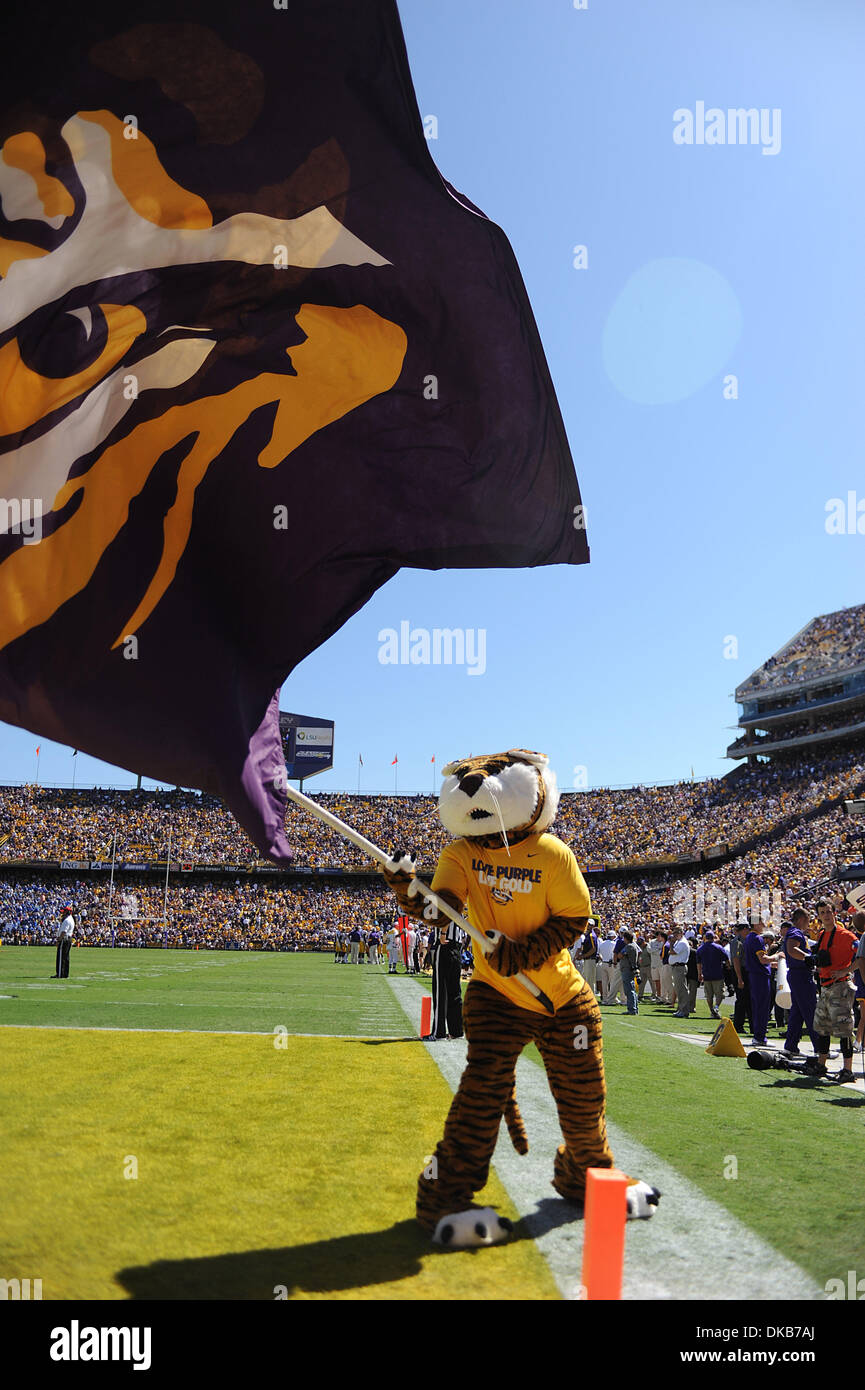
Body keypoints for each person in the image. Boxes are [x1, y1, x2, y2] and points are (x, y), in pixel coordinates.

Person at [805, 897, 859, 1081]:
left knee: (844, 1029)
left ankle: (847, 1070)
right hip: (825, 986)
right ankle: (821, 1065)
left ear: (835, 913)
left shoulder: (846, 936)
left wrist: (846, 970)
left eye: (829, 911)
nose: (826, 916)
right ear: (818, 916)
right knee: (822, 1028)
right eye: (822, 913)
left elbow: (861, 954)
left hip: (840, 986)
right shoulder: (821, 935)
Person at [780, 911, 819, 1057]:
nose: (809, 922)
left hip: (797, 975)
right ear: (803, 919)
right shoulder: (796, 932)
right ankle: (820, 1049)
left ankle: (791, 1046)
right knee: (810, 1010)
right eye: (808, 919)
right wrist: (808, 958)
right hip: (801, 975)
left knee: (797, 1013)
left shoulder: (793, 932)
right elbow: (791, 949)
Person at [743, 919, 775, 1046]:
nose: (763, 925)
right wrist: (777, 956)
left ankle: (759, 1035)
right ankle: (760, 1037)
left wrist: (772, 963)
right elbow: (762, 959)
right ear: (755, 924)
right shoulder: (756, 938)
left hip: (755, 974)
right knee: (762, 1007)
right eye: (761, 922)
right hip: (760, 976)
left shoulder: (749, 937)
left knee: (758, 1006)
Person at [695, 929, 726, 1019]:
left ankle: (712, 1011)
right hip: (718, 974)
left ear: (705, 938)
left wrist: (699, 974)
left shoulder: (700, 949)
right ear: (713, 938)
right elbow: (726, 960)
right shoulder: (719, 948)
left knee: (709, 995)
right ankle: (716, 1008)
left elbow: (698, 963)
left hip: (707, 974)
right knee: (719, 994)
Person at [730, 922, 753, 1036]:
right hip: (740, 971)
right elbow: (736, 960)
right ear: (744, 929)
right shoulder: (737, 942)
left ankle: (753, 1026)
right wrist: (740, 978)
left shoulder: (747, 940)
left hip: (747, 971)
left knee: (749, 1000)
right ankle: (738, 1025)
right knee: (742, 1000)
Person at [614, 929, 640, 1015]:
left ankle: (631, 1009)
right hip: (630, 969)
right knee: (631, 989)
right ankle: (634, 1008)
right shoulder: (634, 945)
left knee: (629, 990)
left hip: (627, 969)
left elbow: (620, 955)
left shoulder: (629, 946)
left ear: (626, 938)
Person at [669, 926, 690, 1018]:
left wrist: (671, 943)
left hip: (679, 967)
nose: (675, 935)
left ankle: (684, 1010)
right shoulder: (679, 942)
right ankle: (680, 1009)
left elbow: (672, 952)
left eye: (677, 933)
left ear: (681, 933)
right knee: (678, 989)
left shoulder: (682, 943)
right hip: (676, 967)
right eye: (674, 933)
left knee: (682, 989)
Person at [53, 903, 75, 978]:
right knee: (66, 957)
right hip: (68, 938)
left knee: (61, 957)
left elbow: (63, 932)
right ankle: (65, 973)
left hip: (64, 939)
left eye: (64, 912)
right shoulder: (71, 919)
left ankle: (59, 974)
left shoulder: (67, 921)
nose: (62, 914)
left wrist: (58, 940)